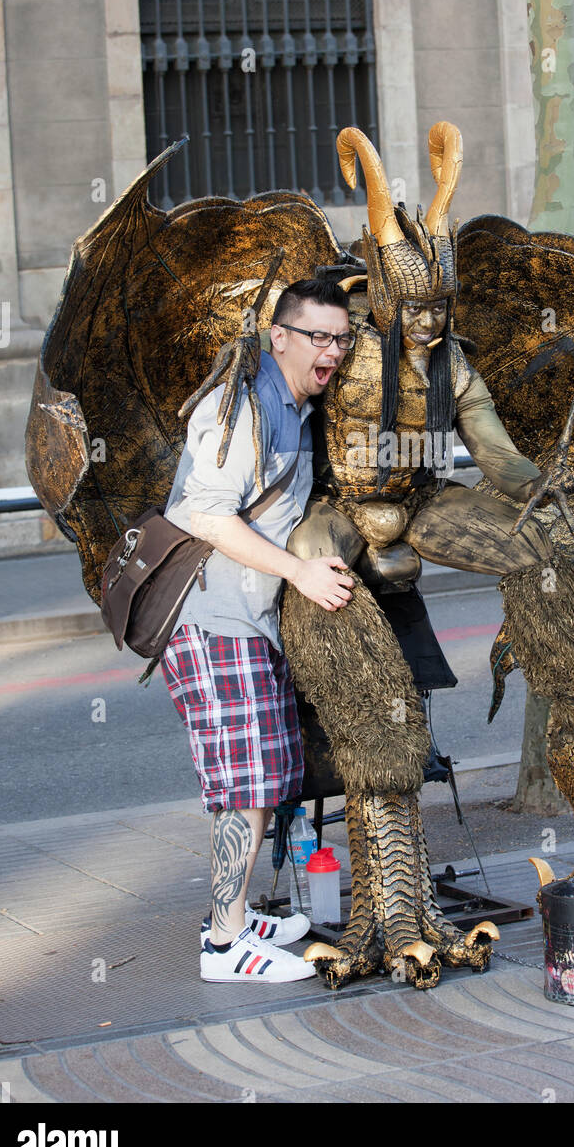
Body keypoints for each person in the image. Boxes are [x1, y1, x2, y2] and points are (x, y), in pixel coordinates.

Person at [160, 278, 355, 983]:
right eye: (317, 337)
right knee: (245, 783)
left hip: (251, 622)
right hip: (213, 618)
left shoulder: (296, 408)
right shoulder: (239, 405)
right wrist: (299, 575)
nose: (331, 352)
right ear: (280, 338)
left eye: (340, 338)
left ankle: (238, 910)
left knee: (266, 775)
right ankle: (224, 943)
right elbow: (205, 515)